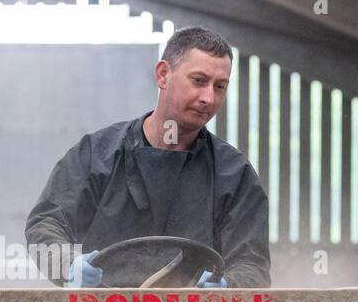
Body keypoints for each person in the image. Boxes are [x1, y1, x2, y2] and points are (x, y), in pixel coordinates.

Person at [25, 26, 270, 288]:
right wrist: (69, 264)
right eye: (199, 81)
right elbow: (46, 223)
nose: (208, 98)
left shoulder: (234, 174)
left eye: (219, 86)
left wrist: (228, 286)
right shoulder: (96, 155)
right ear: (163, 74)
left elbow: (252, 263)